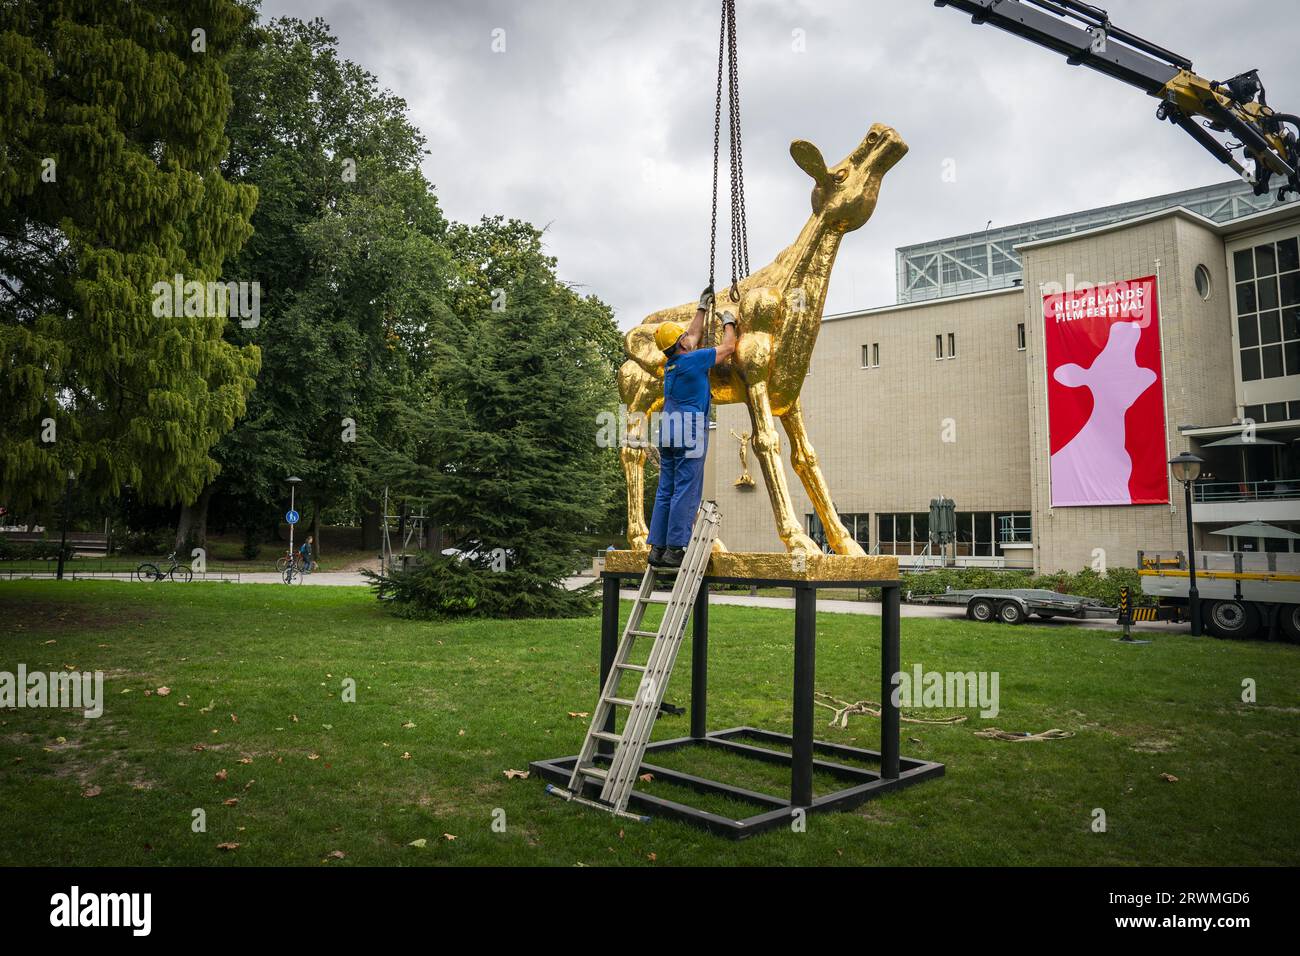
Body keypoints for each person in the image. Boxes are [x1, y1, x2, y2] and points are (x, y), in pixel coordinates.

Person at [647, 284, 739, 568]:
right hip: (690, 429)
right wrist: (729, 322)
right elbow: (728, 348)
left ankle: (658, 549)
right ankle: (676, 547)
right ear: (680, 344)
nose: (689, 336)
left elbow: (694, 334)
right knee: (686, 488)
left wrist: (702, 307)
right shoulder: (695, 360)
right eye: (684, 337)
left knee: (667, 488)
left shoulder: (672, 365)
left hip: (669, 430)